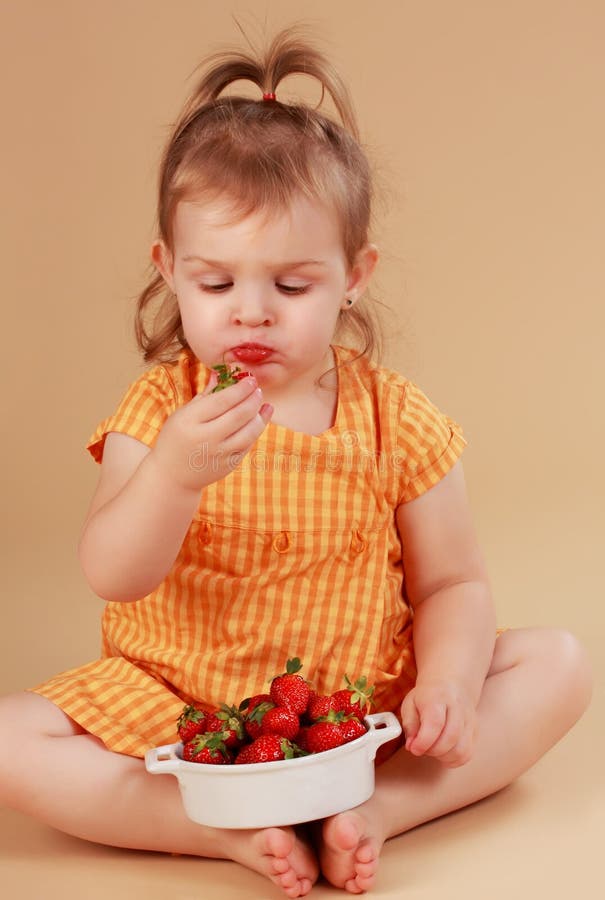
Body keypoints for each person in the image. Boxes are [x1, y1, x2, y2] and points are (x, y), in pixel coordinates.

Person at [0, 26, 592, 898]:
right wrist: (170, 474)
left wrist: (450, 684)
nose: (252, 316)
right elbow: (112, 573)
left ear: (354, 274)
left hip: (355, 713)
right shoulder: (161, 410)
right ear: (168, 270)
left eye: (290, 285)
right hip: (186, 713)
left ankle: (375, 809)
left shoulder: (396, 417)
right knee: (9, 741)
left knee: (560, 665)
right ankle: (218, 828)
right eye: (216, 284)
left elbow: (451, 585)